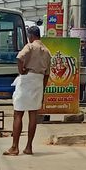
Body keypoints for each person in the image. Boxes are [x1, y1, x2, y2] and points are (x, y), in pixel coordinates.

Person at [8, 25, 51, 155]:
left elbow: (19, 57)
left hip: (27, 79)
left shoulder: (30, 46)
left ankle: (14, 147)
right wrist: (42, 90)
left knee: (18, 114)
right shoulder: (47, 51)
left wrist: (21, 70)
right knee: (33, 115)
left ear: (30, 36)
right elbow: (47, 74)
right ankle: (29, 147)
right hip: (39, 81)